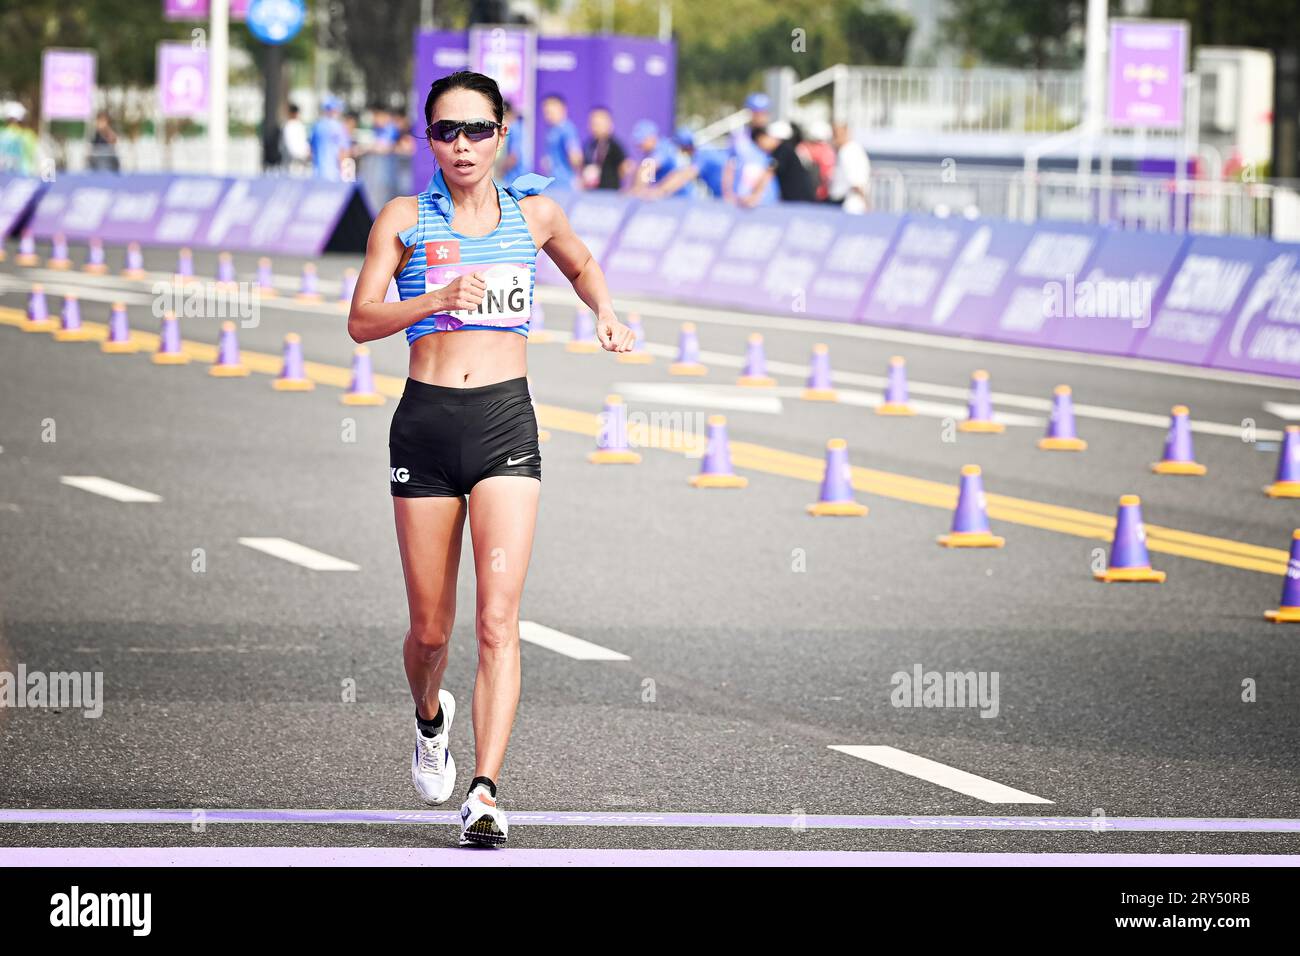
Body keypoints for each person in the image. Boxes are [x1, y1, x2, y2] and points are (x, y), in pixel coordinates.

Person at [346, 70, 635, 848]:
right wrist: (432, 301)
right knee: (432, 632)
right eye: (447, 131)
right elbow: (361, 321)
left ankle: (484, 790)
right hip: (427, 426)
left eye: (478, 129)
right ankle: (428, 719)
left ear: (502, 136)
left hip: (506, 423)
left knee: (499, 619)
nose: (463, 144)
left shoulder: (533, 213)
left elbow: (580, 264)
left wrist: (604, 311)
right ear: (428, 140)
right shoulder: (404, 220)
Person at [723, 92, 779, 207]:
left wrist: (756, 195)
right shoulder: (738, 137)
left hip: (767, 199)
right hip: (741, 198)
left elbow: (772, 169)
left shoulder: (774, 138)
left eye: (763, 113)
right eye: (756, 112)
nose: (759, 117)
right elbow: (729, 165)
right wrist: (727, 193)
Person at [742, 120, 816, 205]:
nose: (760, 146)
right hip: (796, 201)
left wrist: (754, 196)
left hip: (800, 201)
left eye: (759, 141)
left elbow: (769, 173)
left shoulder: (782, 150)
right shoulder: (783, 150)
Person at [581, 105, 630, 190]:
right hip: (592, 192)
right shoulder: (589, 145)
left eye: (599, 123)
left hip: (610, 192)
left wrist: (624, 184)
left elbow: (626, 165)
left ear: (610, 124)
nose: (595, 127)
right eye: (593, 123)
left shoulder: (614, 145)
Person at [538, 93, 582, 190]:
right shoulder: (551, 130)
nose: (547, 115)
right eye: (545, 112)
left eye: (550, 111)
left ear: (561, 109)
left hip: (565, 184)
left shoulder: (567, 129)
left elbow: (575, 156)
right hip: (553, 183)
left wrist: (579, 177)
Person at [829, 121, 871, 213]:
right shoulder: (849, 149)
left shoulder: (848, 151)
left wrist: (865, 203)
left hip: (848, 204)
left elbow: (856, 182)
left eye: (836, 135)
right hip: (846, 202)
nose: (833, 139)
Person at [310, 96, 350, 181]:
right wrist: (347, 176)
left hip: (318, 173)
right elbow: (343, 153)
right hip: (334, 175)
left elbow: (312, 150)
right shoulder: (340, 128)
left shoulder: (317, 126)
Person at [280, 103, 311, 176]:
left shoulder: (300, 125)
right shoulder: (288, 126)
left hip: (302, 160)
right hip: (292, 161)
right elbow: (288, 144)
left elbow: (304, 141)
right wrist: (298, 156)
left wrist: (306, 154)